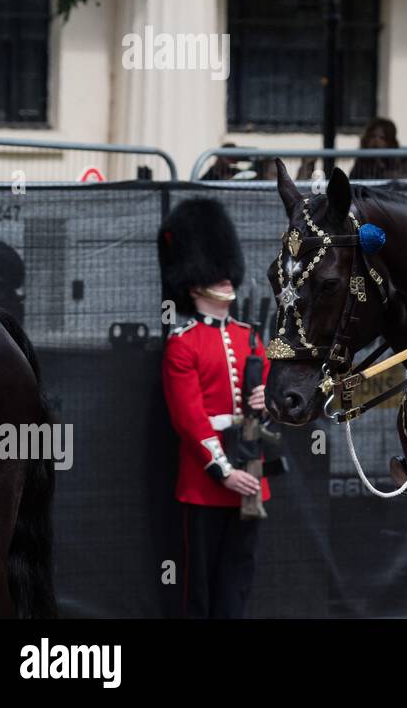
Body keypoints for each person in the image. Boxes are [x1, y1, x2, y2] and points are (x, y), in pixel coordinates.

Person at [158, 198, 271, 616]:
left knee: (238, 580)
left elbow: (272, 406)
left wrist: (267, 403)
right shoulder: (183, 343)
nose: (226, 280)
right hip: (207, 481)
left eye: (227, 274)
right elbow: (190, 420)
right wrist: (224, 471)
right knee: (200, 586)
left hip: (253, 469)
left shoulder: (251, 338)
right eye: (215, 274)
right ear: (193, 282)